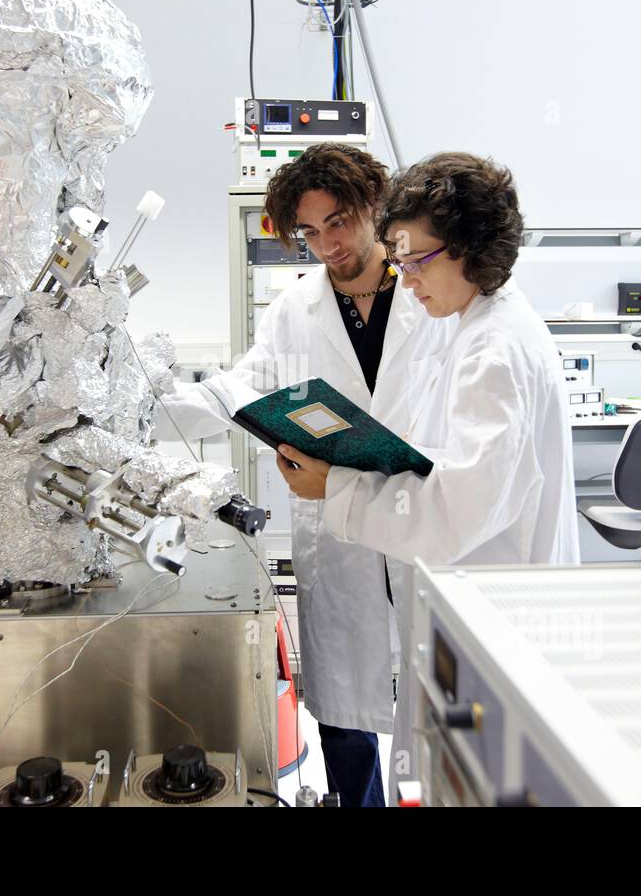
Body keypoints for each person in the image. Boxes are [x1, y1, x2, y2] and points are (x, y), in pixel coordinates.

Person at [274, 152, 580, 803]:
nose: (405, 280)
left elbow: (450, 512)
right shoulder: (483, 325)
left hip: (494, 623)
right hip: (469, 614)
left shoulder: (495, 349)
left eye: (415, 261)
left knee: (488, 784)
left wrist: (334, 488)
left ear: (467, 246)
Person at [156, 143, 452, 807]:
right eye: (309, 232)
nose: (326, 245)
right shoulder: (296, 308)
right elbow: (240, 389)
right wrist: (142, 405)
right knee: (347, 711)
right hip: (340, 531)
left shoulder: (433, 293)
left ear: (375, 208)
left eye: (339, 222)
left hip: (420, 515)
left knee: (443, 703)